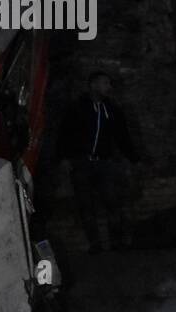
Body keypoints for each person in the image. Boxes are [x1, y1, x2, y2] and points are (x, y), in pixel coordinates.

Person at [57, 71, 141, 253]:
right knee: (86, 205)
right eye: (105, 83)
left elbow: (122, 136)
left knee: (112, 202)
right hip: (81, 163)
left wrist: (135, 159)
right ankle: (95, 245)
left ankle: (116, 243)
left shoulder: (112, 110)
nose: (108, 87)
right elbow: (65, 133)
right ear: (93, 85)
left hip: (104, 163)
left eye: (109, 84)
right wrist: (64, 158)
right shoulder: (77, 108)